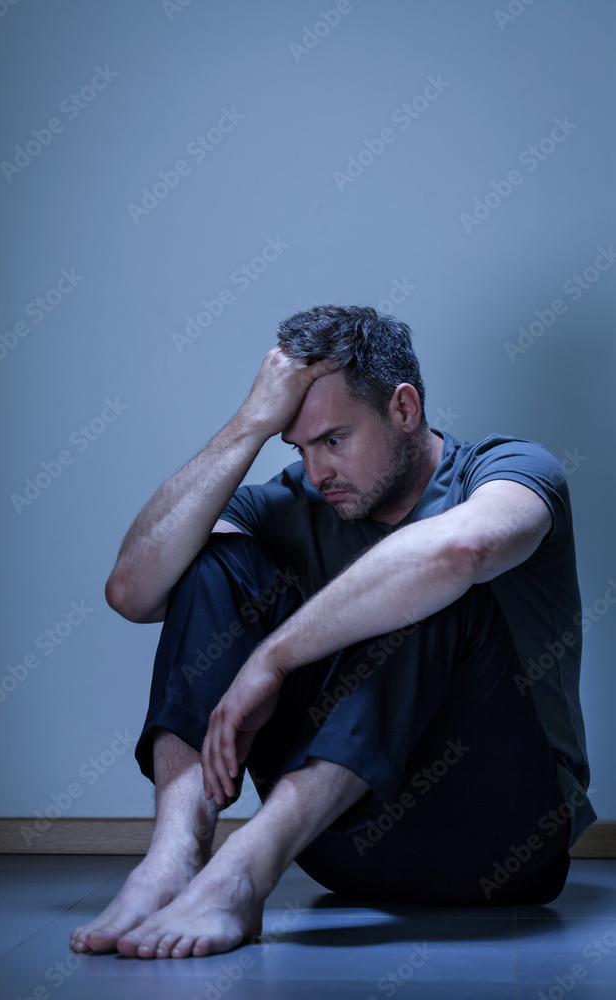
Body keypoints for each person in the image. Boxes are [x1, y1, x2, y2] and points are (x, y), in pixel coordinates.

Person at [70, 305, 595, 961]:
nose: (316, 472)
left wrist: (274, 657)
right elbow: (133, 589)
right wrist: (248, 426)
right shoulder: (297, 501)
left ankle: (242, 873)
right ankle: (174, 859)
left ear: (403, 408)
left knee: (430, 587)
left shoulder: (507, 468)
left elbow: (460, 549)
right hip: (340, 846)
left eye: (334, 440)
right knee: (212, 562)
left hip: (501, 842)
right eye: (298, 446)